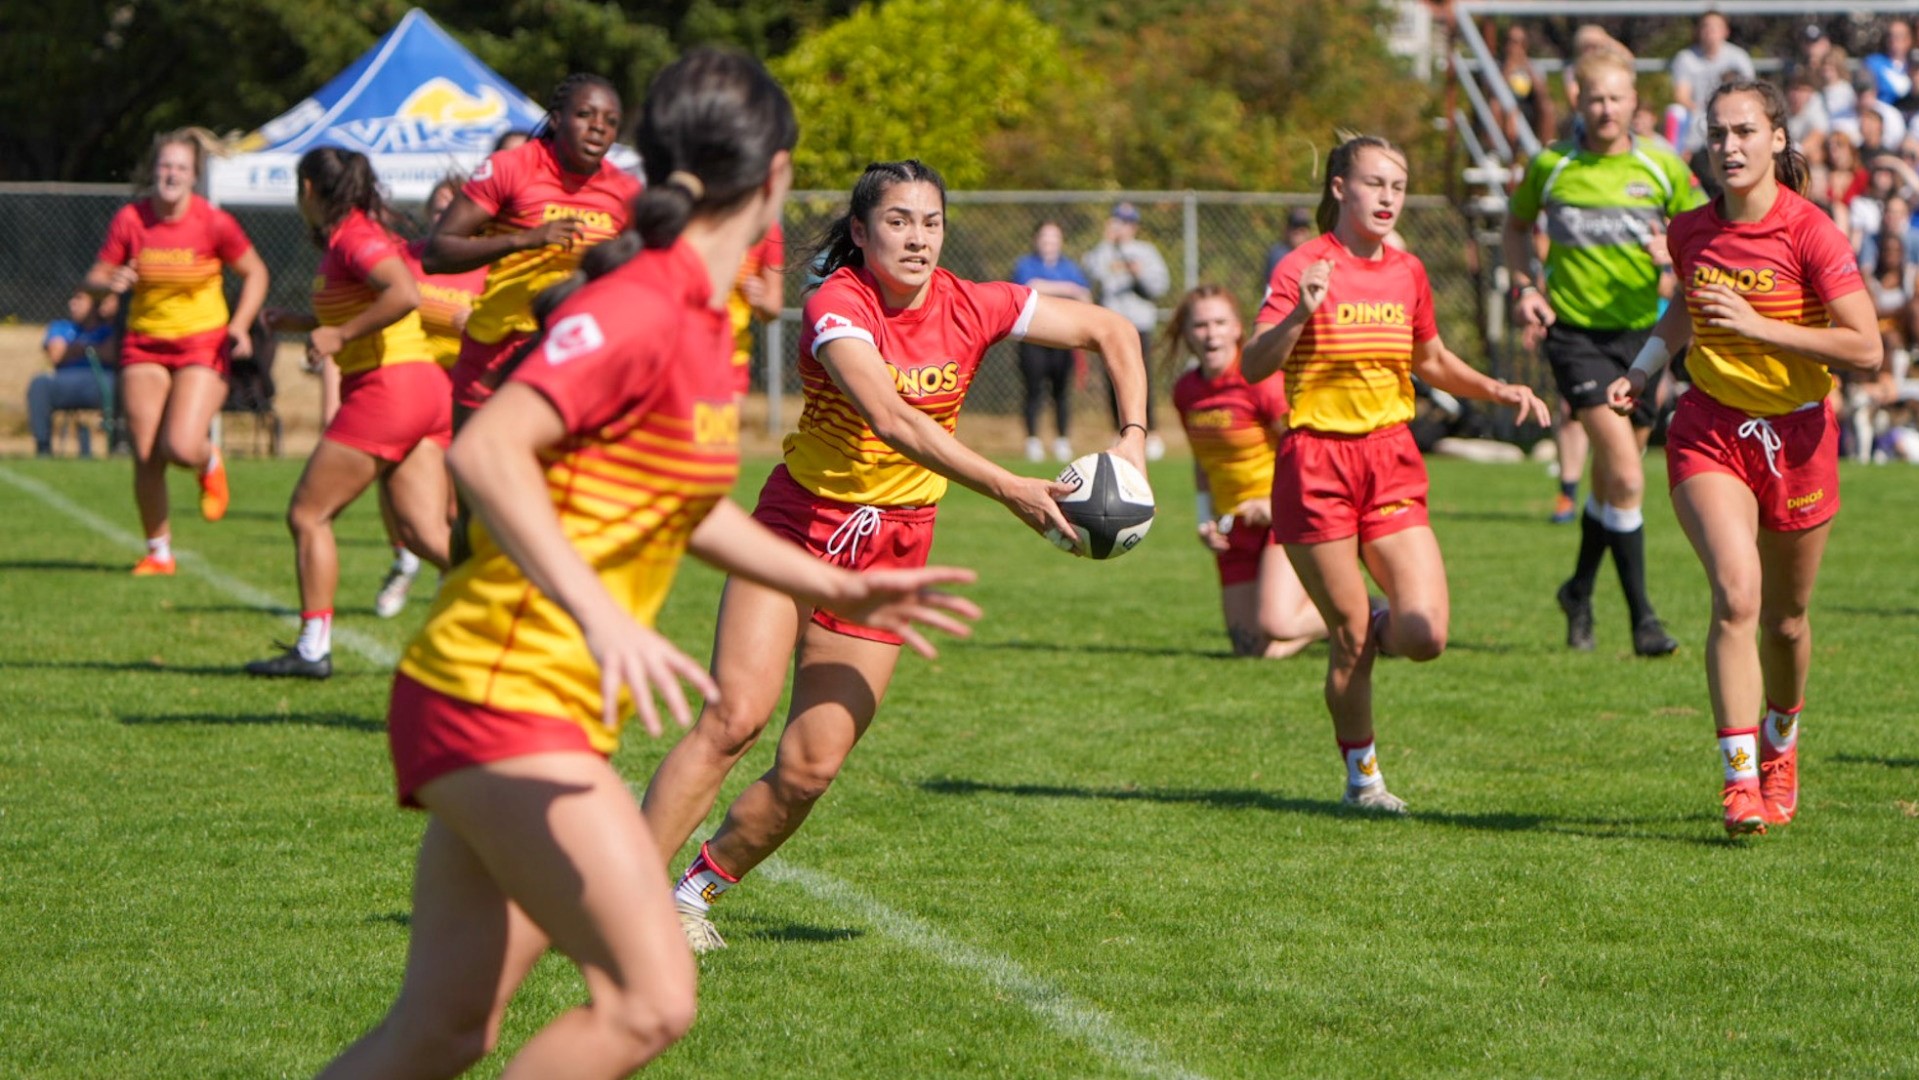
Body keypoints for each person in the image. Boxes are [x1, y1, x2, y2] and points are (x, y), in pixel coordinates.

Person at [315, 51, 982, 1079]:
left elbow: (676, 499)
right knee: (649, 1001)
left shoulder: (706, 313)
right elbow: (487, 453)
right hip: (500, 694)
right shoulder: (643, 303)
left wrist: (834, 585)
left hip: (528, 696)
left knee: (444, 1032)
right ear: (775, 180)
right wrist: (601, 614)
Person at [638, 158, 1151, 953]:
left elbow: (1110, 329)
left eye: (930, 222)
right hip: (797, 528)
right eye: (897, 221)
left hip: (892, 550)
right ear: (861, 230)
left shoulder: (972, 303)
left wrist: (1133, 439)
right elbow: (891, 417)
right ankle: (620, 900)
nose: (916, 238)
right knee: (734, 719)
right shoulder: (837, 303)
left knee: (811, 767)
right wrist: (1007, 487)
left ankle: (692, 894)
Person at [1241, 134, 1549, 813]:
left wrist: (1494, 389)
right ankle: (1364, 780)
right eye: (1374, 183)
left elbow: (1429, 360)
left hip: (1389, 459)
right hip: (1316, 462)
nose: (1387, 197)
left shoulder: (1407, 271)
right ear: (1339, 188)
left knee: (1424, 634)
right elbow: (1253, 364)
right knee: (1351, 639)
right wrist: (1300, 313)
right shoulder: (1301, 266)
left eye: (1398, 186)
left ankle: (1362, 619)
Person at [1606, 79, 1881, 836]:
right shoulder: (1690, 229)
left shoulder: (1811, 233)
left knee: (1785, 622)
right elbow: (1686, 304)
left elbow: (1865, 347)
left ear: (1777, 139)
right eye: (1718, 133)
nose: (1729, 147)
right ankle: (1738, 780)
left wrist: (1762, 327)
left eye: (1745, 132)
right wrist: (1644, 368)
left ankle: (1780, 741)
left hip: (1798, 439)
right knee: (1735, 595)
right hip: (1710, 428)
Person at [1505, 49, 1701, 657]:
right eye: (1596, 98)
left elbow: (1703, 239)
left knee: (1611, 479)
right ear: (1577, 101)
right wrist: (1524, 287)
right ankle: (1644, 620)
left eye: (1617, 97)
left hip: (1644, 340)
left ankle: (1578, 591)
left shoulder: (1662, 166)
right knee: (1626, 475)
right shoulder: (1552, 165)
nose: (1607, 109)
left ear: (1635, 101)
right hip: (1575, 337)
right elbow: (1515, 228)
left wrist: (1676, 255)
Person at [245, 149, 452, 678]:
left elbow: (403, 294)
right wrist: (301, 322)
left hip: (390, 390)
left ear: (308, 189)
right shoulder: (355, 233)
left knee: (308, 515)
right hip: (420, 387)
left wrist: (336, 336)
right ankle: (523, 596)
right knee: (425, 533)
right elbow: (364, 303)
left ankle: (312, 649)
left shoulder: (354, 236)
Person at [84, 130, 268, 575]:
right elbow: (94, 279)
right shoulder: (131, 219)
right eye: (165, 165)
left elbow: (256, 272)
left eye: (180, 168)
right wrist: (109, 283)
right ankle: (159, 552)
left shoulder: (213, 222)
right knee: (146, 452)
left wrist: (240, 325)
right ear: (153, 170)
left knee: (180, 446)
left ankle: (208, 459)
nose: (171, 175)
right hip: (144, 343)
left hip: (202, 343)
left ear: (194, 176)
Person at [424, 73, 641, 419]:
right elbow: (436, 254)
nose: (598, 127)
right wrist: (523, 240)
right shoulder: (509, 168)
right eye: (585, 115)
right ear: (556, 119)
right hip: (496, 345)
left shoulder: (625, 189)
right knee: (472, 453)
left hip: (573, 349)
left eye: (611, 121)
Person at [1169, 284, 1327, 658]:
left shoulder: (1260, 381)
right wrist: (1205, 518)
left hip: (1282, 518)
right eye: (1200, 325)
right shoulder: (1186, 391)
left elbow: (1305, 449)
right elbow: (1202, 461)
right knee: (1251, 649)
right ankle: (1345, 623)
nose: (1211, 334)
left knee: (1276, 627)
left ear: (1238, 328)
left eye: (1220, 323)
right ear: (1187, 333)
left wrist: (1275, 504)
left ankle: (1364, 612)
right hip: (1233, 524)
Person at [1084, 201, 1170, 459]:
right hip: (1110, 326)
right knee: (1113, 378)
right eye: (1119, 221)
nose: (1124, 227)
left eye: (1128, 222)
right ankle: (1119, 430)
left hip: (1138, 325)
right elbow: (1091, 274)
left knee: (1142, 378)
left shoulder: (1146, 251)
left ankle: (1149, 432)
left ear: (1135, 226)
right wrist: (1106, 242)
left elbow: (1160, 287)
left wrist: (1138, 274)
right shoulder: (1103, 251)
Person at [1011, 219, 1092, 461]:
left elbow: (1085, 296)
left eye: (1054, 238)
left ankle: (1062, 440)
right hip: (1033, 340)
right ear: (1036, 240)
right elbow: (1030, 287)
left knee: (1061, 392)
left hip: (1063, 341)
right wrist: (1069, 289)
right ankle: (1033, 441)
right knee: (1033, 391)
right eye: (1045, 237)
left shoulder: (1070, 267)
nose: (1049, 243)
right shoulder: (1025, 265)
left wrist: (1066, 291)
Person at [29, 289, 118, 457]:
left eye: (79, 299)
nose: (72, 303)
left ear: (94, 304)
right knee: (39, 384)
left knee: (121, 384)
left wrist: (75, 349)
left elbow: (111, 353)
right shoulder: (61, 327)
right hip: (65, 381)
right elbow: (56, 355)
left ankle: (118, 446)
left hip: (101, 381)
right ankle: (43, 448)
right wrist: (92, 349)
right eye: (72, 298)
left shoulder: (109, 329)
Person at [1669, 12, 1756, 156]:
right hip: (1697, 113)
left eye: (1715, 27)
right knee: (1676, 113)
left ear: (1726, 31)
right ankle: (1677, 163)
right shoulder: (1686, 58)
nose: (1710, 31)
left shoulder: (1739, 58)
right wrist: (1704, 113)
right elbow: (1681, 96)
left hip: (1732, 112)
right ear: (1698, 31)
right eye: (1706, 26)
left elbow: (1749, 93)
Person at [726, 216, 783, 396]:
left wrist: (760, 298)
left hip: (734, 355)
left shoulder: (767, 229)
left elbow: (773, 309)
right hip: (687, 352)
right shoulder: (698, 216)